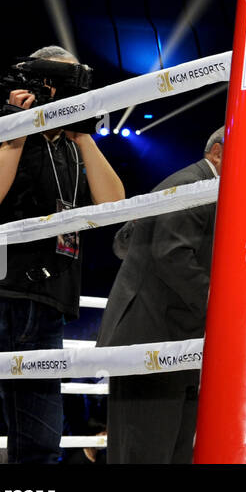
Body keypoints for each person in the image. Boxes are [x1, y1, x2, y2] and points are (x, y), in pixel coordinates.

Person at [0, 46, 126, 464]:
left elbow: (113, 208)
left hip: (47, 305)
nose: (77, 94)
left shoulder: (75, 147)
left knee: (40, 448)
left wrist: (83, 133)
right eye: (69, 86)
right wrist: (16, 135)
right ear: (46, 84)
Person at [96, 127, 223, 463]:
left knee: (172, 451)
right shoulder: (193, 184)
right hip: (150, 336)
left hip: (175, 338)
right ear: (219, 153)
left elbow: (128, 242)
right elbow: (172, 256)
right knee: (144, 452)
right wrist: (224, 308)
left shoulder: (202, 187)